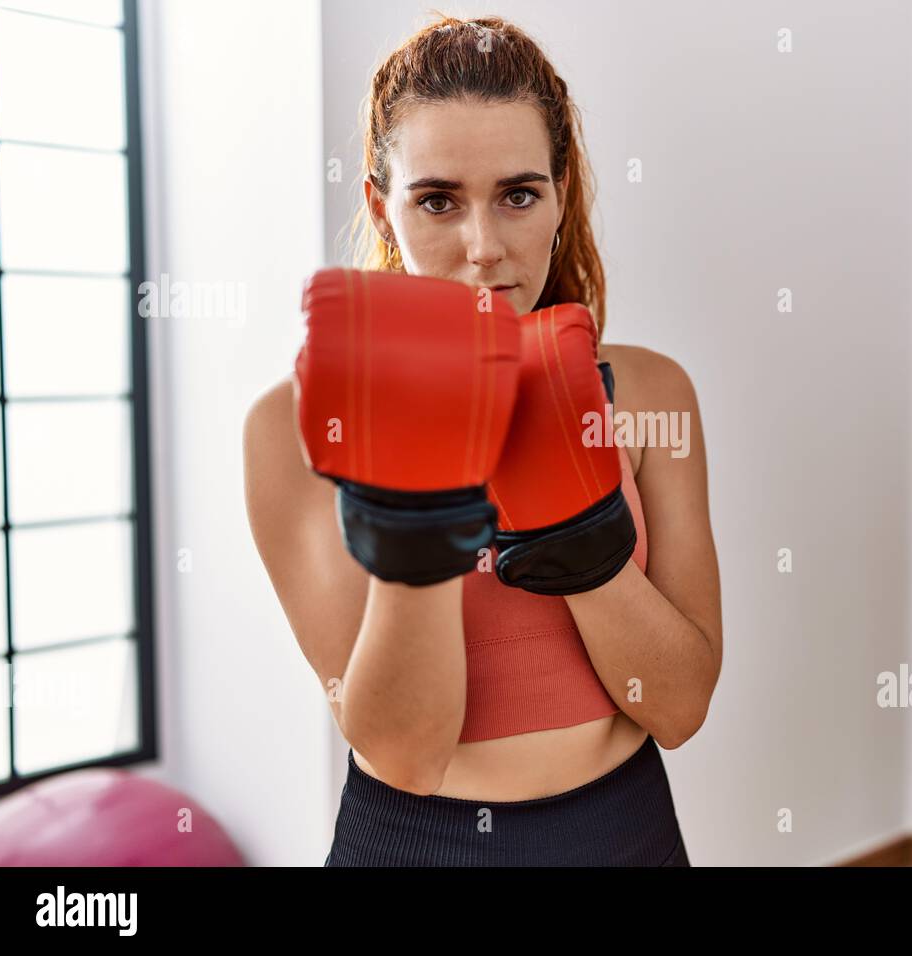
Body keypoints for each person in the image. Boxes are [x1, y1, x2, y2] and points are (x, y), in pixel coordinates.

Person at [242, 14, 721, 867]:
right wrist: (423, 505)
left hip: (629, 833)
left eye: (518, 194)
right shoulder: (297, 427)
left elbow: (679, 710)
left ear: (560, 195)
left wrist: (581, 542)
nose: (484, 248)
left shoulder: (649, 393)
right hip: (416, 846)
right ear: (380, 210)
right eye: (436, 200)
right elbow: (406, 754)